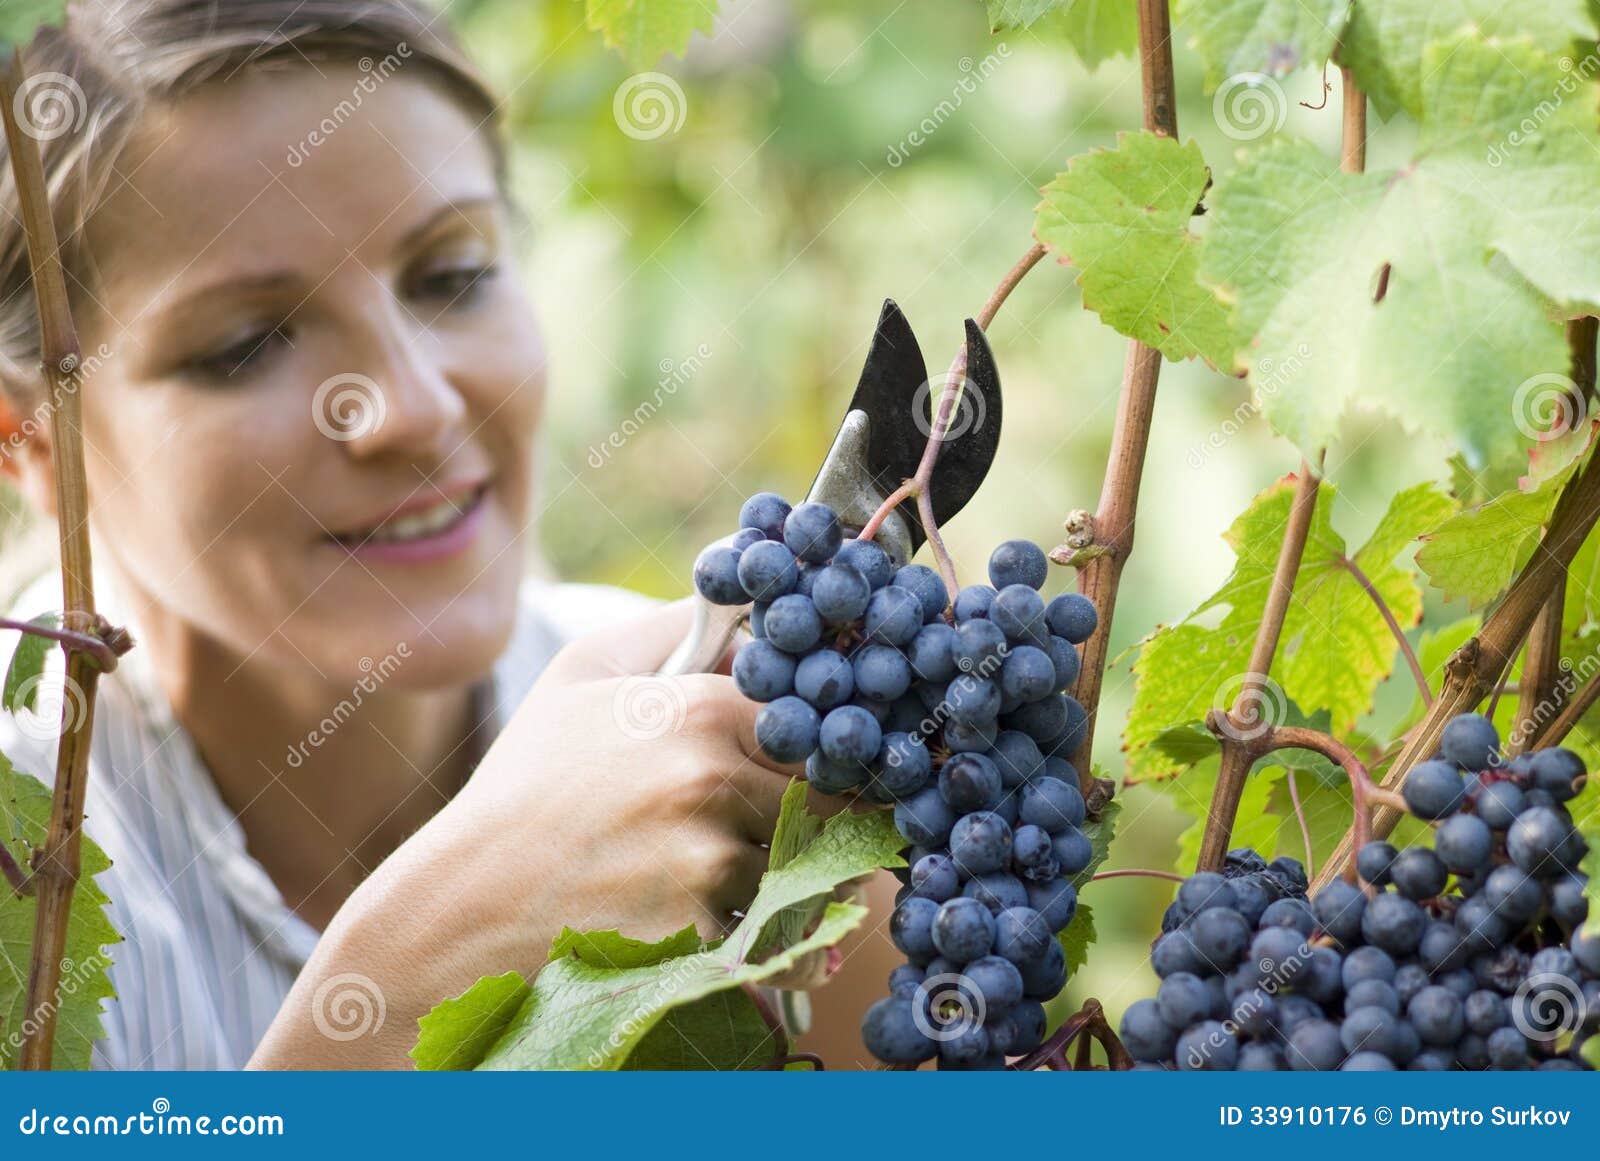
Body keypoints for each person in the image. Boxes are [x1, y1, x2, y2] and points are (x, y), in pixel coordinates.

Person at [0, 0, 893, 1070]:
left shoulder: (731, 744)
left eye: (451, 277)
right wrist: (410, 971)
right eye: (247, 344)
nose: (413, 408)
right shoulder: (25, 874)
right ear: (28, 445)